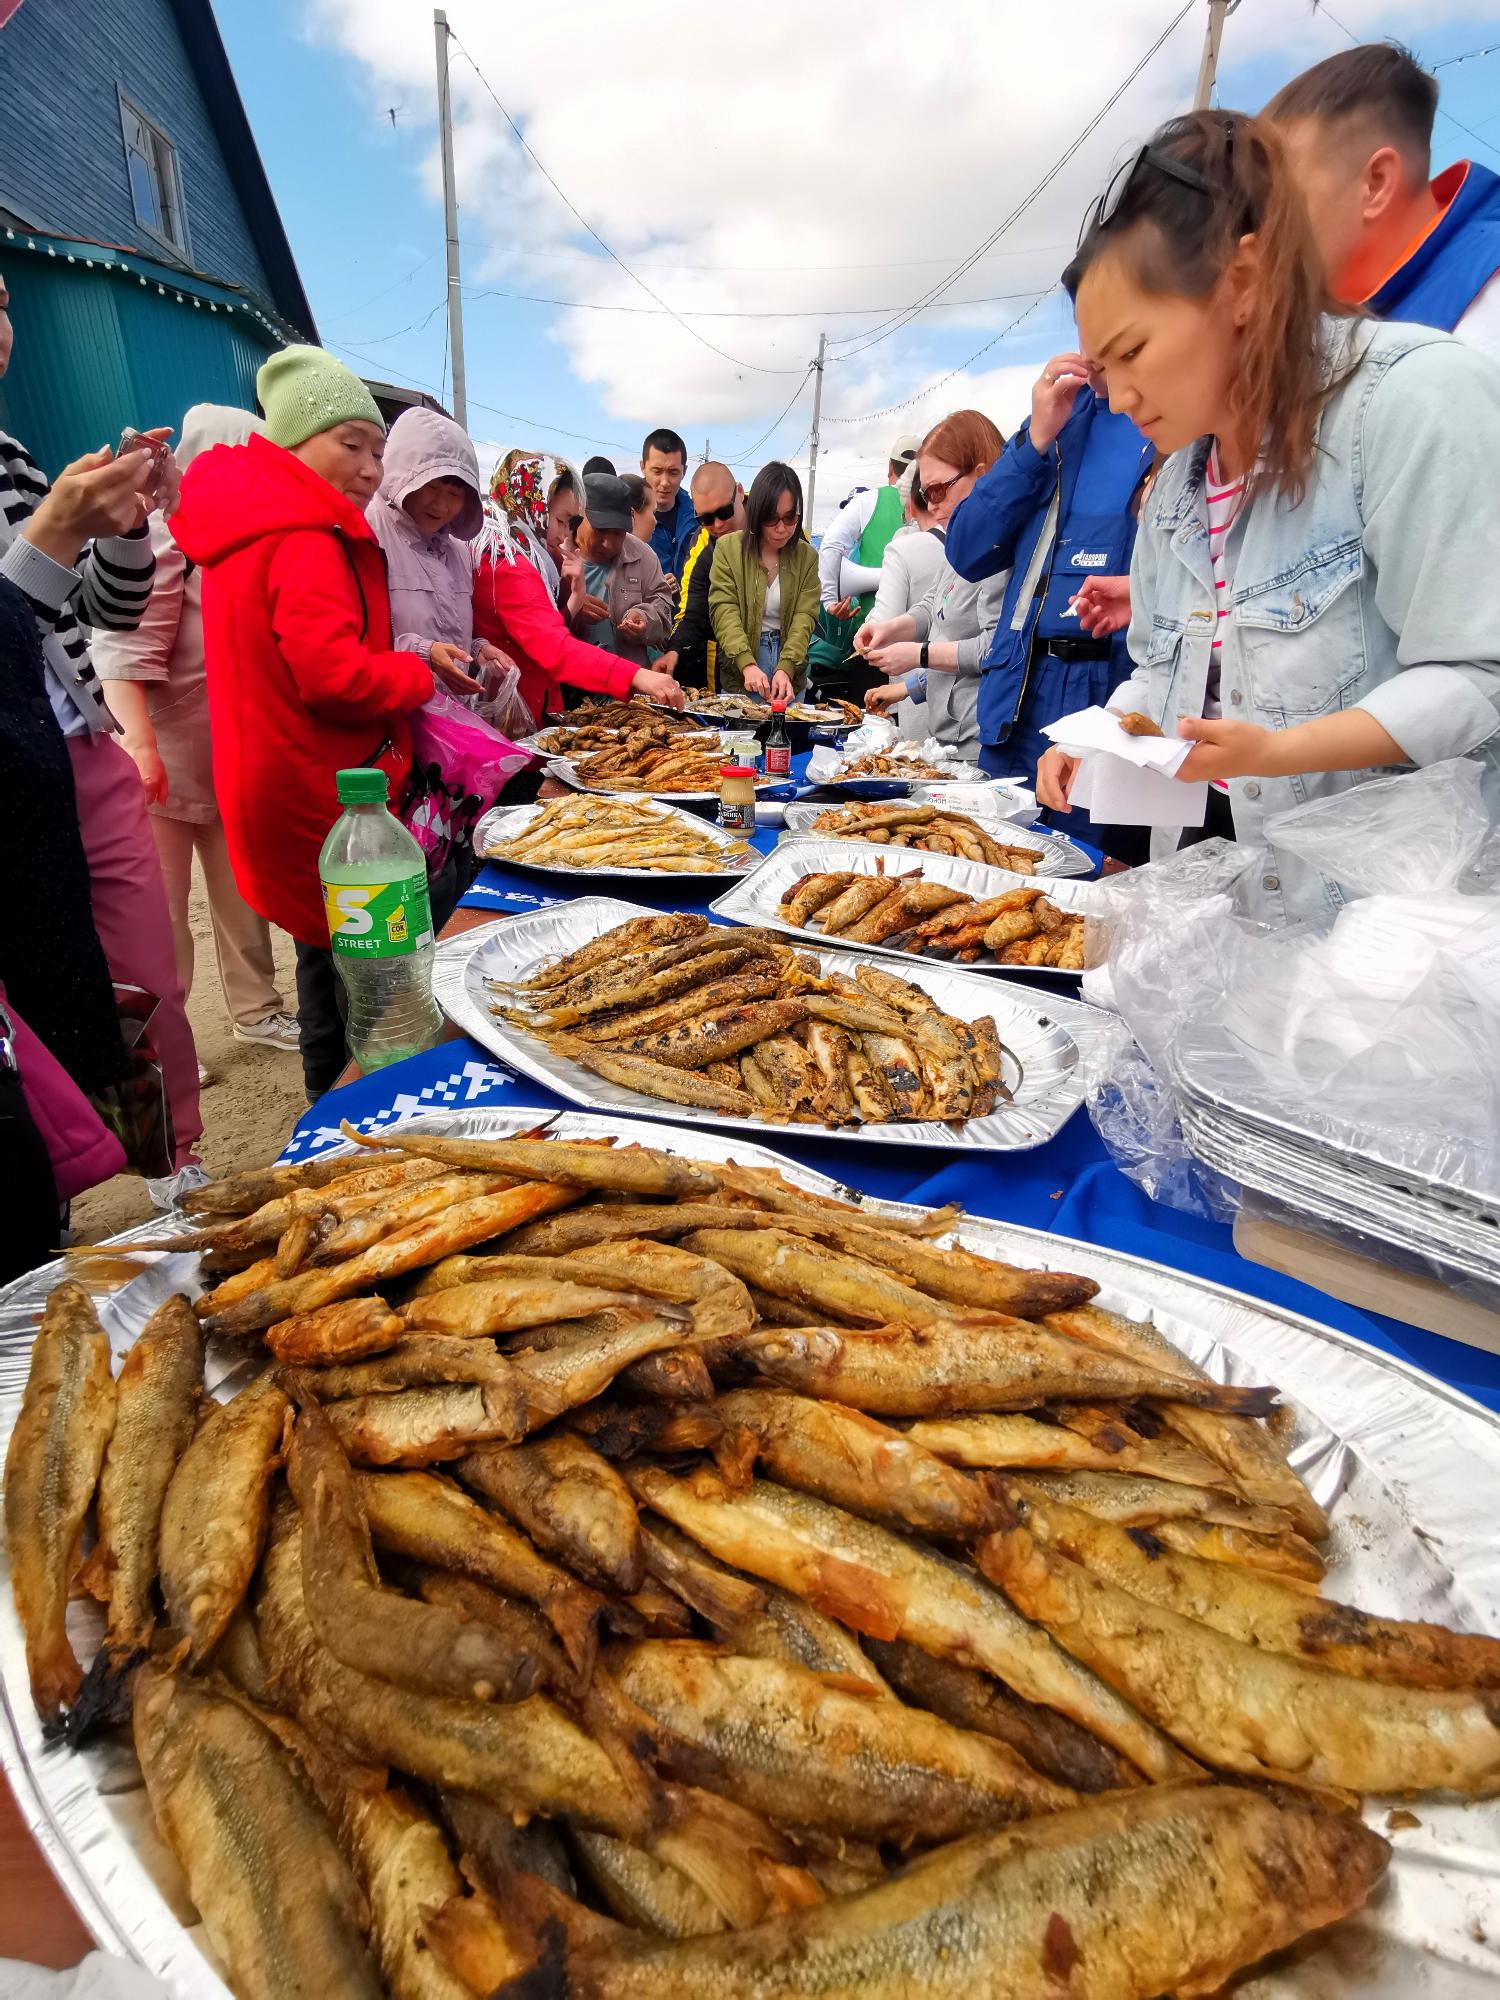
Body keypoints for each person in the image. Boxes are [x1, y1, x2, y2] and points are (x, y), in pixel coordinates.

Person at [1038, 109, 1500, 927]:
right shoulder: (1179, 481)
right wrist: (1097, 735)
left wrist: (1282, 750)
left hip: (1389, 944)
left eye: (1134, 352)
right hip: (1230, 919)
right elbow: (1158, 672)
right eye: (1103, 370)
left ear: (1243, 284)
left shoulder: (1412, 400)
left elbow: (1476, 677)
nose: (1118, 398)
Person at [170, 346, 435, 1099]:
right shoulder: (301, 533)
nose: (369, 468)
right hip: (317, 793)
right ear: (292, 443)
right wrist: (415, 676)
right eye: (350, 444)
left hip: (275, 779)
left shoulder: (249, 523)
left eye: (378, 450)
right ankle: (346, 1122)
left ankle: (335, 1105)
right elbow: (335, 677)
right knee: (352, 974)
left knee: (327, 961)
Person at [0, 268, 203, 1178]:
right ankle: (57, 1190)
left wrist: (125, 525)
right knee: (41, 996)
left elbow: (96, 614)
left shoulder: (11, 456)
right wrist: (49, 533)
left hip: (81, 742)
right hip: (13, 771)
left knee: (148, 979)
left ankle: (173, 1160)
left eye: (3, 303)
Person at [91, 405, 299, 1068]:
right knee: (161, 911)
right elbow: (123, 648)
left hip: (226, 756)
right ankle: (162, 1041)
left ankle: (257, 1008)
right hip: (161, 761)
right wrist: (141, 746)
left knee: (242, 892)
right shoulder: (168, 537)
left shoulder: (237, 544)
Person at [943, 350, 1153, 828]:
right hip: (1018, 693)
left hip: (1116, 691)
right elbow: (966, 550)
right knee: (992, 865)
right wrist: (1035, 439)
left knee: (1091, 879)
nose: (1096, 344)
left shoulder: (1170, 421)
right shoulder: (1057, 421)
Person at [1267, 41, 1500, 359]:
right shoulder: (1335, 320)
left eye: (1283, 198)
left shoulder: (1484, 325)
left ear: (1376, 183)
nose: (1261, 229)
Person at [472, 456, 684, 724]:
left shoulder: (527, 556)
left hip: (534, 705)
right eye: (561, 521)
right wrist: (636, 676)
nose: (563, 534)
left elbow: (540, 634)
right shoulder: (506, 562)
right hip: (515, 713)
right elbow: (554, 646)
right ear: (532, 508)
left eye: (569, 523)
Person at [854, 413, 1008, 760]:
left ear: (981, 475)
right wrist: (889, 629)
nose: (931, 503)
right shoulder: (961, 544)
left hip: (976, 743)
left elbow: (994, 648)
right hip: (948, 740)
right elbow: (932, 607)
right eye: (924, 493)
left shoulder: (1003, 551)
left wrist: (916, 655)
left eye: (938, 489)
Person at [366, 406, 515, 701]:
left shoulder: (458, 552)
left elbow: (448, 630)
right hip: (394, 717)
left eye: (455, 494)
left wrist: (476, 649)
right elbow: (354, 648)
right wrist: (424, 653)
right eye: (430, 485)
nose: (441, 505)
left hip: (448, 723)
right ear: (400, 476)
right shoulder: (369, 533)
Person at [707, 460, 820, 701]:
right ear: (757, 513)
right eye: (772, 519)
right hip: (740, 672)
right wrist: (746, 664)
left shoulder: (807, 556)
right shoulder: (727, 549)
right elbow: (724, 610)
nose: (781, 528)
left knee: (787, 738)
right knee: (740, 739)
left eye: (790, 518)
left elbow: (805, 616)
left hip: (789, 672)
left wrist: (786, 667)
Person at [860, 464, 949, 739]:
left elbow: (884, 621)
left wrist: (871, 626)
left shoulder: (902, 548)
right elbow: (929, 609)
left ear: (910, 503)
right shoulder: (961, 547)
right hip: (961, 706)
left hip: (919, 701)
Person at [568, 472, 676, 668]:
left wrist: (644, 619)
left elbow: (663, 611)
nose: (608, 543)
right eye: (600, 530)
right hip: (572, 689)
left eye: (618, 533)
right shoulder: (555, 555)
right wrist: (571, 609)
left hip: (630, 691)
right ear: (579, 514)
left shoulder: (643, 556)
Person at [656, 461, 745, 688]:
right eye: (704, 519)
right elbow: (690, 611)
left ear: (740, 493)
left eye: (724, 512)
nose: (716, 525)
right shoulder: (701, 545)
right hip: (725, 665)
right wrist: (674, 651)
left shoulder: (776, 522)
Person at [816, 434, 921, 619]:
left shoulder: (868, 500)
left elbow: (831, 544)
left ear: (890, 467)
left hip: (873, 631)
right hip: (924, 633)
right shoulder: (933, 503)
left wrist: (830, 600)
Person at [640, 427, 698, 575]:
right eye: (657, 471)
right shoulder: (627, 520)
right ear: (643, 467)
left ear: (684, 471)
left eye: (673, 472)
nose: (665, 482)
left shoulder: (699, 517)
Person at [620, 472, 657, 548]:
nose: (656, 521)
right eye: (653, 512)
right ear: (631, 514)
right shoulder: (647, 557)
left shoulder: (597, 553)